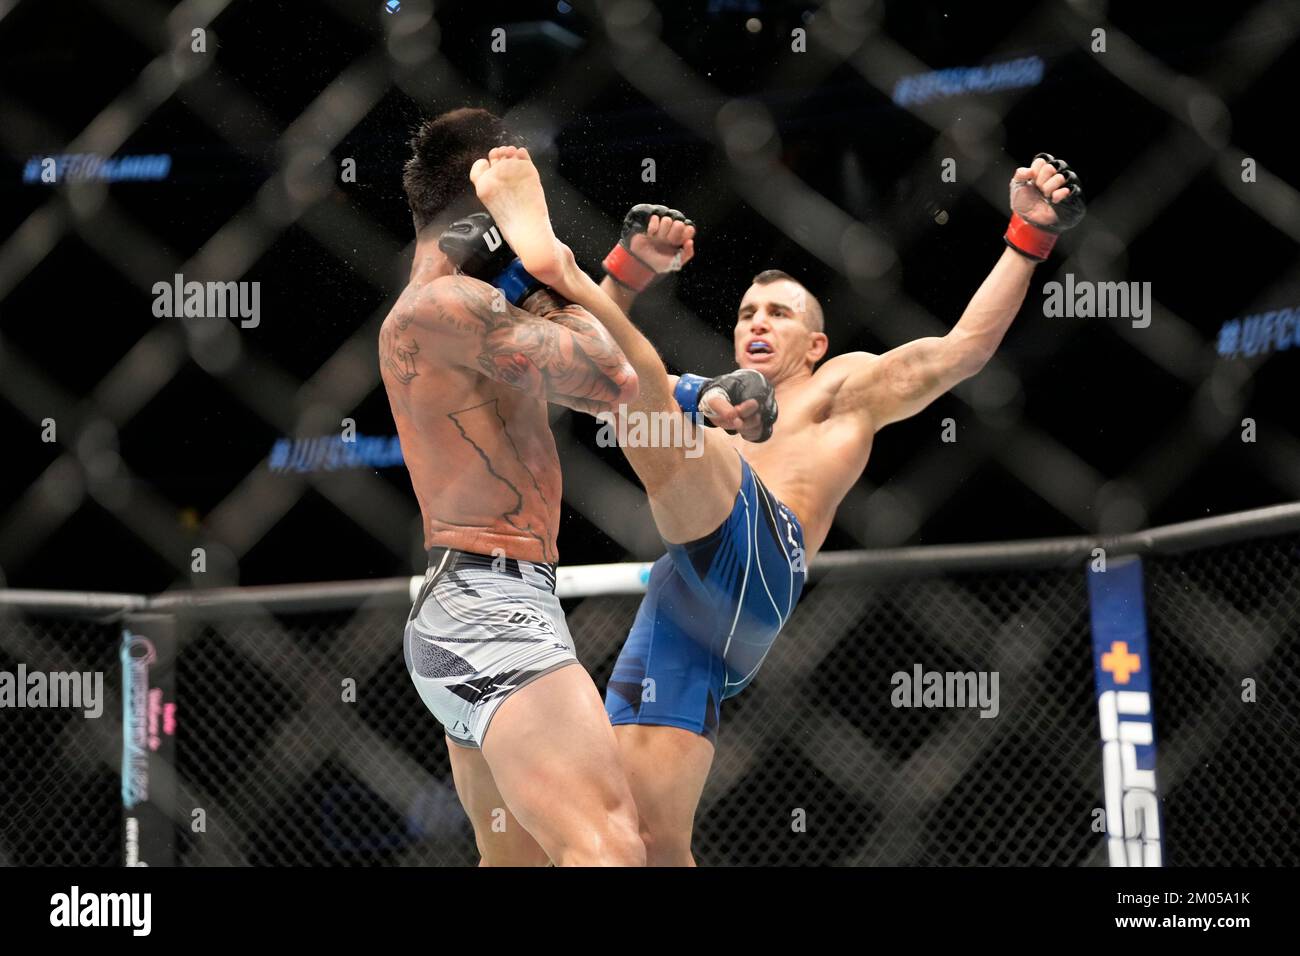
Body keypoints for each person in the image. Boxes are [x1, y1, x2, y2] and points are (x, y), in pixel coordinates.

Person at [594, 154, 1086, 865]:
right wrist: (633, 285)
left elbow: (960, 353)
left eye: (780, 313)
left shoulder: (839, 388)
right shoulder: (711, 405)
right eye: (746, 313)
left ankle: (560, 265)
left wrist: (1029, 237)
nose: (758, 322)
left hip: (758, 559)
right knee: (641, 833)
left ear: (816, 344)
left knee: (643, 392)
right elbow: (597, 368)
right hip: (679, 604)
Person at [381, 107, 645, 866]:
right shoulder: (448, 305)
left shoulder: (453, 301)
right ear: (484, 190)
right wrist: (540, 247)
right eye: (521, 185)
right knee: (610, 849)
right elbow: (613, 377)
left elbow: (589, 363)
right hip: (491, 608)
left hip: (472, 605)